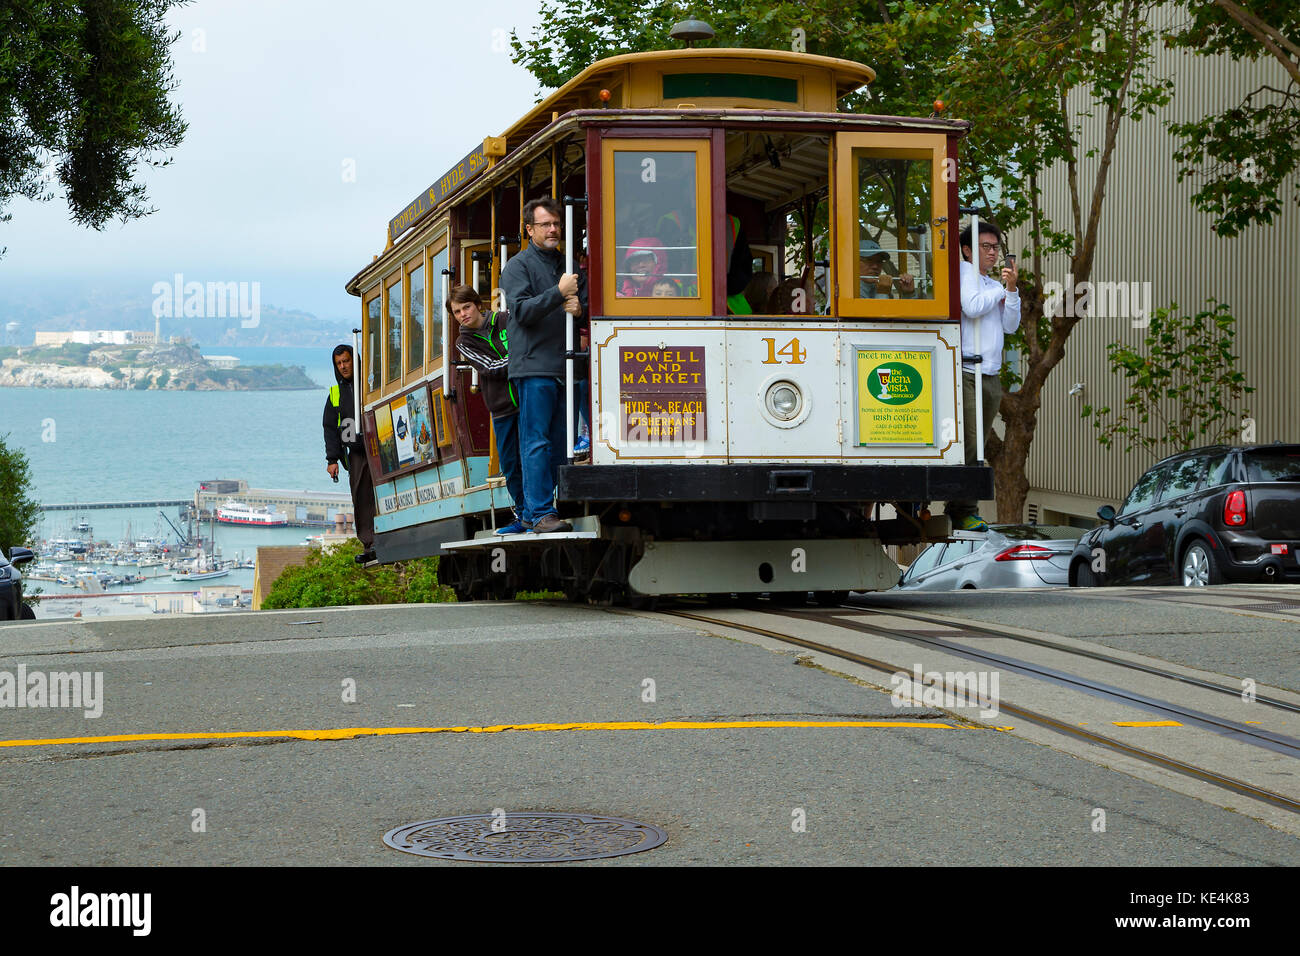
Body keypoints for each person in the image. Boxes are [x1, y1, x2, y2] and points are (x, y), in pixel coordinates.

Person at [499, 196, 586, 534]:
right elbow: (520, 312)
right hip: (534, 367)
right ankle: (539, 514)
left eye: (556, 224)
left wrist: (579, 309)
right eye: (546, 224)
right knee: (536, 442)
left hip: (566, 366)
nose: (553, 229)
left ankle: (552, 507)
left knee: (562, 444)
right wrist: (559, 291)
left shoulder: (570, 263)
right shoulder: (517, 266)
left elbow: (587, 306)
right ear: (529, 229)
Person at [945, 219, 1020, 532]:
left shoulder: (992, 285)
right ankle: (963, 509)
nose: (993, 253)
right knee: (972, 442)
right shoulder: (965, 274)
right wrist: (1002, 291)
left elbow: (1010, 325)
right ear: (967, 250)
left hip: (989, 373)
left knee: (979, 440)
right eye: (986, 247)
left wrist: (1011, 290)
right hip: (967, 370)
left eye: (995, 247)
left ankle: (962, 506)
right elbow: (972, 307)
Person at [450, 284, 526, 535]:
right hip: (502, 407)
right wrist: (519, 358)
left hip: (527, 398)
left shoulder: (504, 319)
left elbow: (525, 342)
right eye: (457, 311)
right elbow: (489, 367)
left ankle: (542, 510)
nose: (463, 314)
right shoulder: (463, 342)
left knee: (535, 453)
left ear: (477, 304)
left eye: (466, 307)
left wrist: (520, 356)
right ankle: (523, 513)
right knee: (511, 463)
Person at [322, 344, 376, 564]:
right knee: (361, 498)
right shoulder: (335, 393)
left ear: (355, 360)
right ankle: (369, 544)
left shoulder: (372, 384)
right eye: (339, 363)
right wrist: (332, 459)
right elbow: (329, 428)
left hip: (378, 447)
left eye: (346, 361)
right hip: (355, 453)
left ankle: (387, 536)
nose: (343, 366)